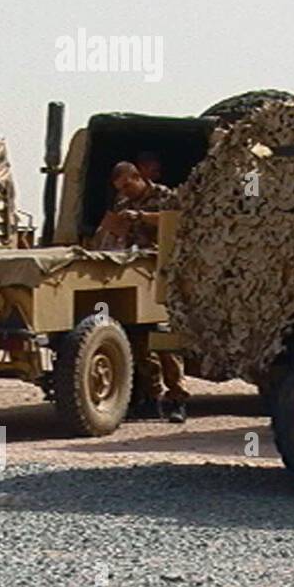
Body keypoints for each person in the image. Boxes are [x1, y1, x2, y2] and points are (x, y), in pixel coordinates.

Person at [94, 161, 191, 422]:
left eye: (127, 185)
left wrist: (142, 217)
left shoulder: (165, 196)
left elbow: (179, 222)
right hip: (134, 273)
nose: (125, 191)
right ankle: (152, 398)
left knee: (164, 340)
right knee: (139, 341)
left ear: (138, 178)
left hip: (161, 272)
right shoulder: (122, 203)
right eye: (120, 188)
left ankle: (177, 398)